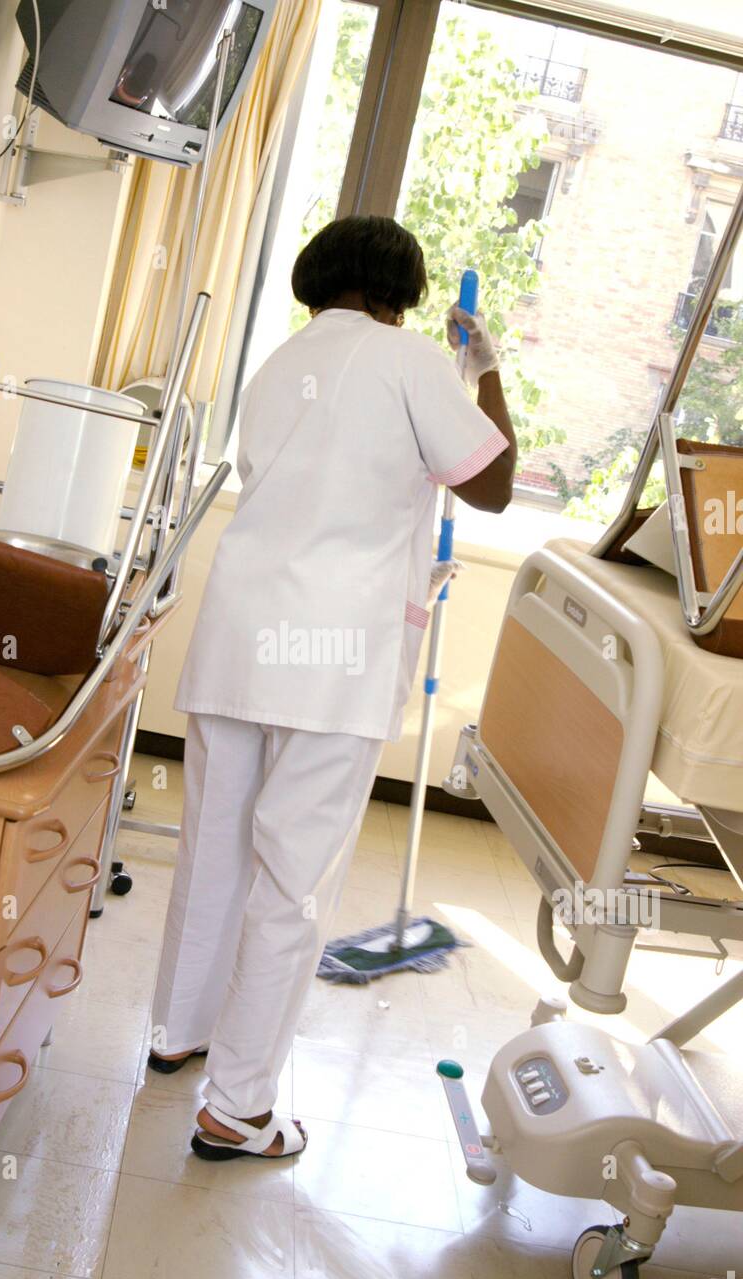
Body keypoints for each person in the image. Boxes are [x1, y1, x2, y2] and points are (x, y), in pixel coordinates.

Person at [148, 215, 517, 1159]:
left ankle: (176, 1033)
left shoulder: (277, 365)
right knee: (291, 881)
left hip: (239, 640)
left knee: (214, 853)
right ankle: (239, 1108)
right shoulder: (408, 361)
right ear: (398, 294)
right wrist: (488, 367)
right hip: (331, 659)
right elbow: (495, 484)